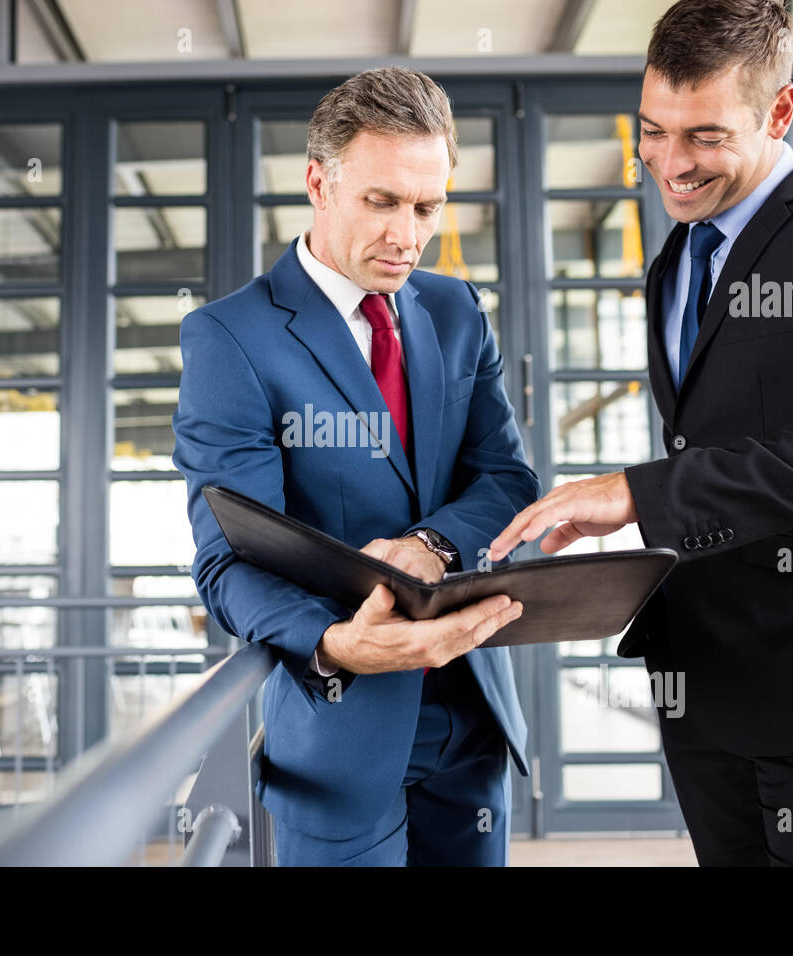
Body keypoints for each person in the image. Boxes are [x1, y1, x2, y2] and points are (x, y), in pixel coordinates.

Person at [489, 0, 793, 866]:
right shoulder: (677, 259)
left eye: (704, 136)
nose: (671, 164)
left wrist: (639, 493)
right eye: (652, 131)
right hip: (704, 689)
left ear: (780, 111)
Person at [173, 66, 539, 866]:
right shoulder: (231, 339)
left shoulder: (454, 311)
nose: (408, 236)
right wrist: (336, 641)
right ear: (319, 183)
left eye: (427, 206)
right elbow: (227, 560)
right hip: (339, 735)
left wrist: (432, 546)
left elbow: (507, 482)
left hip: (471, 722)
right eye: (382, 202)